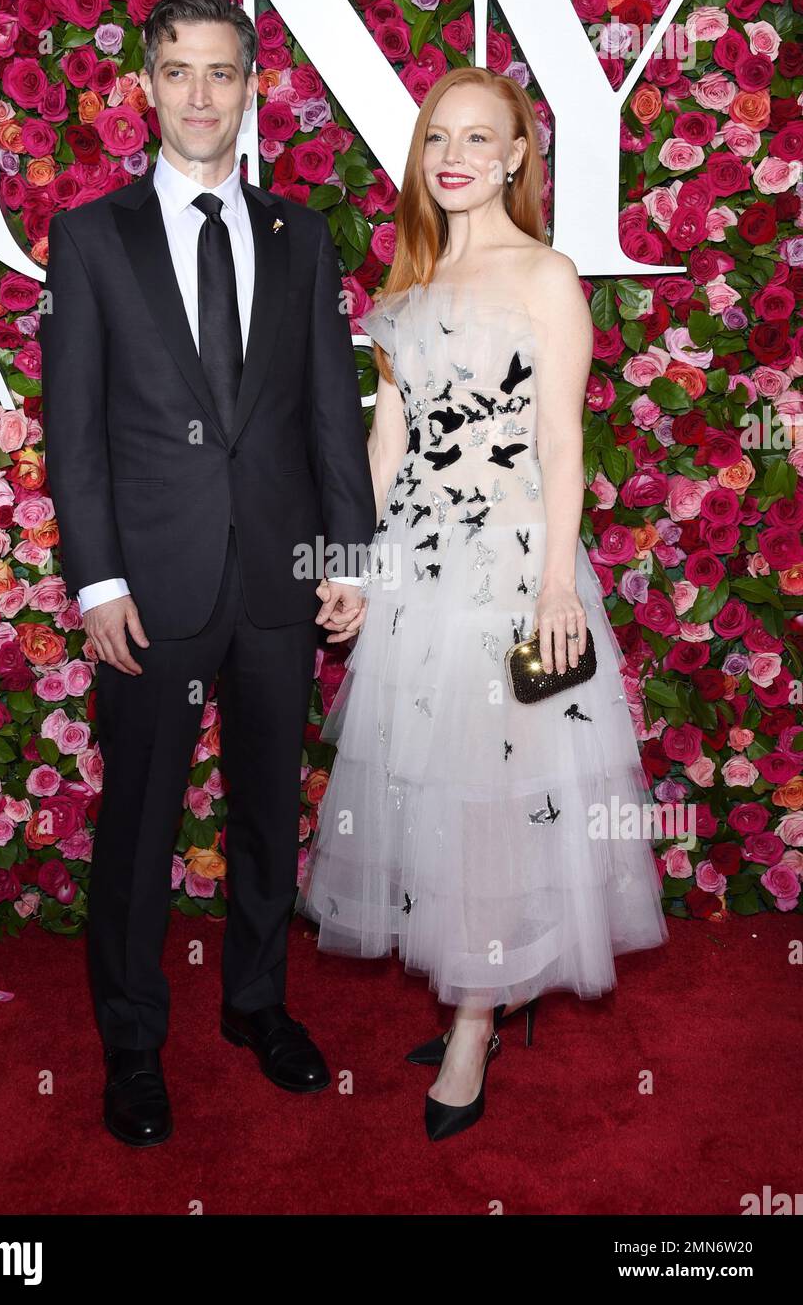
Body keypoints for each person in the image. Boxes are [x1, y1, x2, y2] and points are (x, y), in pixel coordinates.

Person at [297, 66, 669, 1142]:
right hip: (414, 575)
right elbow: (385, 447)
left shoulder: (548, 275)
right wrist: (349, 566)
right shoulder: (404, 294)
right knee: (436, 795)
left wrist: (557, 582)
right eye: (435, 139)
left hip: (512, 575)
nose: (453, 155)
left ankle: (473, 1024)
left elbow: (563, 440)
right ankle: (478, 991)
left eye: (478, 138)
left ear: (515, 158)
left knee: (502, 797)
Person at [40, 0, 375, 1147]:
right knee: (136, 828)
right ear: (144, 87)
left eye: (220, 72)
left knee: (265, 813)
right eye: (176, 70)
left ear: (250, 87)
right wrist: (96, 582)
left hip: (283, 581)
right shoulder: (91, 239)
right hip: (153, 590)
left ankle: (254, 1003)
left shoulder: (300, 233)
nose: (198, 94)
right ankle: (133, 1043)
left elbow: (333, 409)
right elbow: (73, 433)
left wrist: (346, 553)